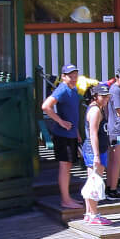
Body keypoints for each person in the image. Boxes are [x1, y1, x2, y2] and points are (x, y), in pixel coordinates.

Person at [42, 66, 85, 211]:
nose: (73, 78)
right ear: (63, 76)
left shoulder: (73, 89)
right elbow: (46, 106)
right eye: (70, 75)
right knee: (65, 167)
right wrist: (60, 122)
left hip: (71, 134)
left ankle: (67, 198)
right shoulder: (62, 89)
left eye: (75, 75)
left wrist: (77, 132)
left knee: (68, 166)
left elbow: (73, 113)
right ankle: (65, 200)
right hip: (63, 136)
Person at [79, 84, 113, 226]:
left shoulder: (98, 108)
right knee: (95, 182)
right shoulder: (95, 111)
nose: (106, 99)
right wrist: (97, 155)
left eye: (107, 96)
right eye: (103, 96)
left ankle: (88, 213)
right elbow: (93, 134)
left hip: (96, 149)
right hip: (94, 151)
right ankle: (93, 215)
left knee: (91, 181)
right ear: (95, 96)